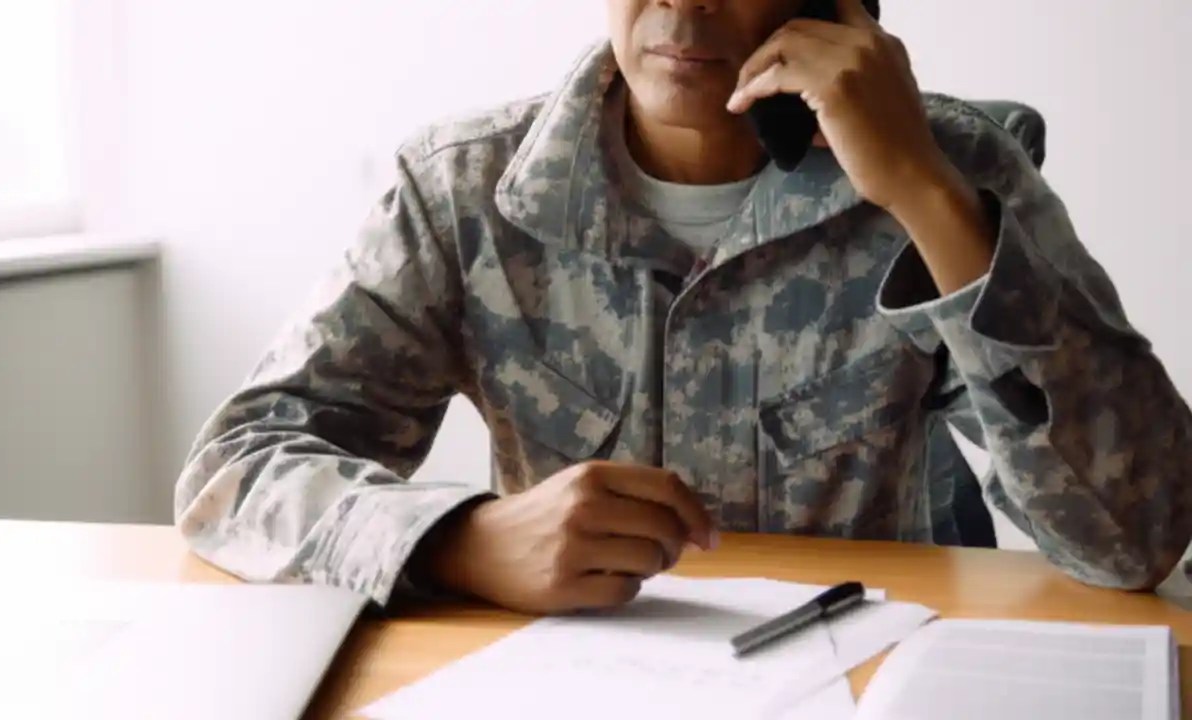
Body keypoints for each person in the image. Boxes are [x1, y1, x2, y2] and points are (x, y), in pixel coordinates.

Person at [174, 0, 1192, 615]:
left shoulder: (949, 165)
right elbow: (237, 471)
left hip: (855, 684)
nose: (682, 6)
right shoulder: (462, 191)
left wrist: (924, 197)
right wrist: (459, 541)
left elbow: (1132, 536)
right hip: (564, 683)